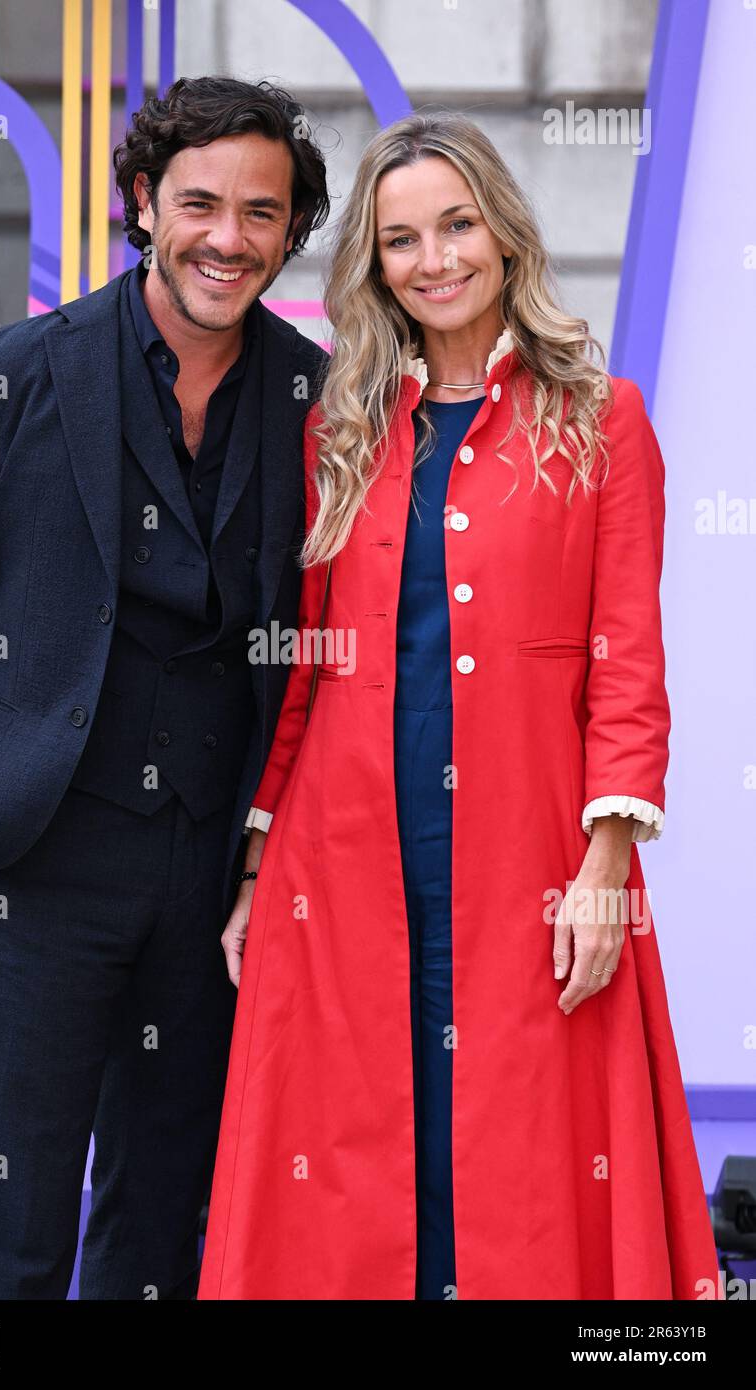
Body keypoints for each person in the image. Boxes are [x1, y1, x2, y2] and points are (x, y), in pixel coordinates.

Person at [198, 113, 722, 1301]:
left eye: (456, 224)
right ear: (372, 266)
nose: (433, 259)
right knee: (355, 1151)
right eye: (399, 240)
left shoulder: (599, 420)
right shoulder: (338, 427)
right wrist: (253, 865)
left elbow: (625, 663)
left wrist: (603, 865)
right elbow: (306, 668)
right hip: (342, 859)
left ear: (502, 232)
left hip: (528, 856)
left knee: (518, 1157)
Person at [0, 75, 329, 1299]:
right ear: (142, 200)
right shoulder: (14, 371)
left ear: (290, 230)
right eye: (199, 203)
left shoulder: (313, 396)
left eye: (259, 213)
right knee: (6, 1213)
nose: (227, 239)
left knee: (162, 1211)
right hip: (36, 856)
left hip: (210, 876)